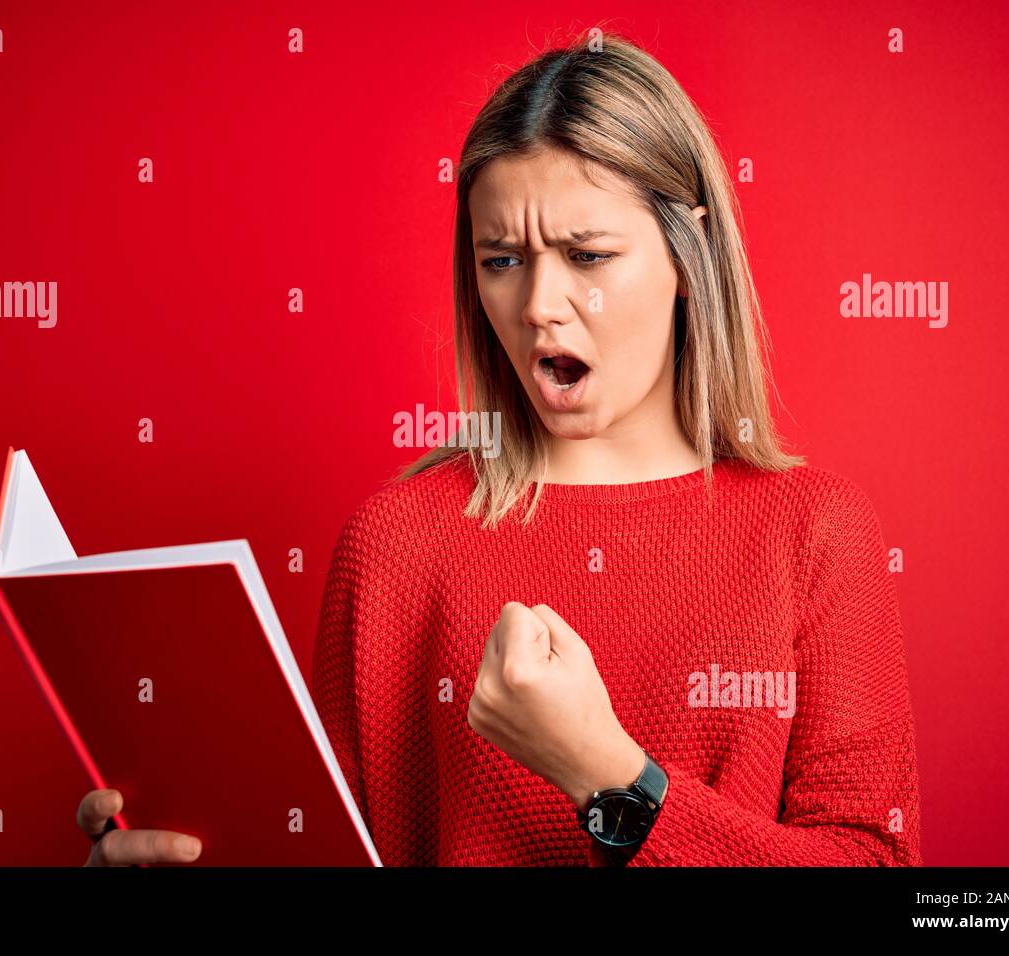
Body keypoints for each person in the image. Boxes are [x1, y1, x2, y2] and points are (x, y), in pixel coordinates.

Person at [78, 30, 921, 867]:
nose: (539, 305)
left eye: (587, 254)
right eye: (503, 259)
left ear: (688, 256)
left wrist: (605, 777)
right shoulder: (393, 545)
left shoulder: (816, 533)